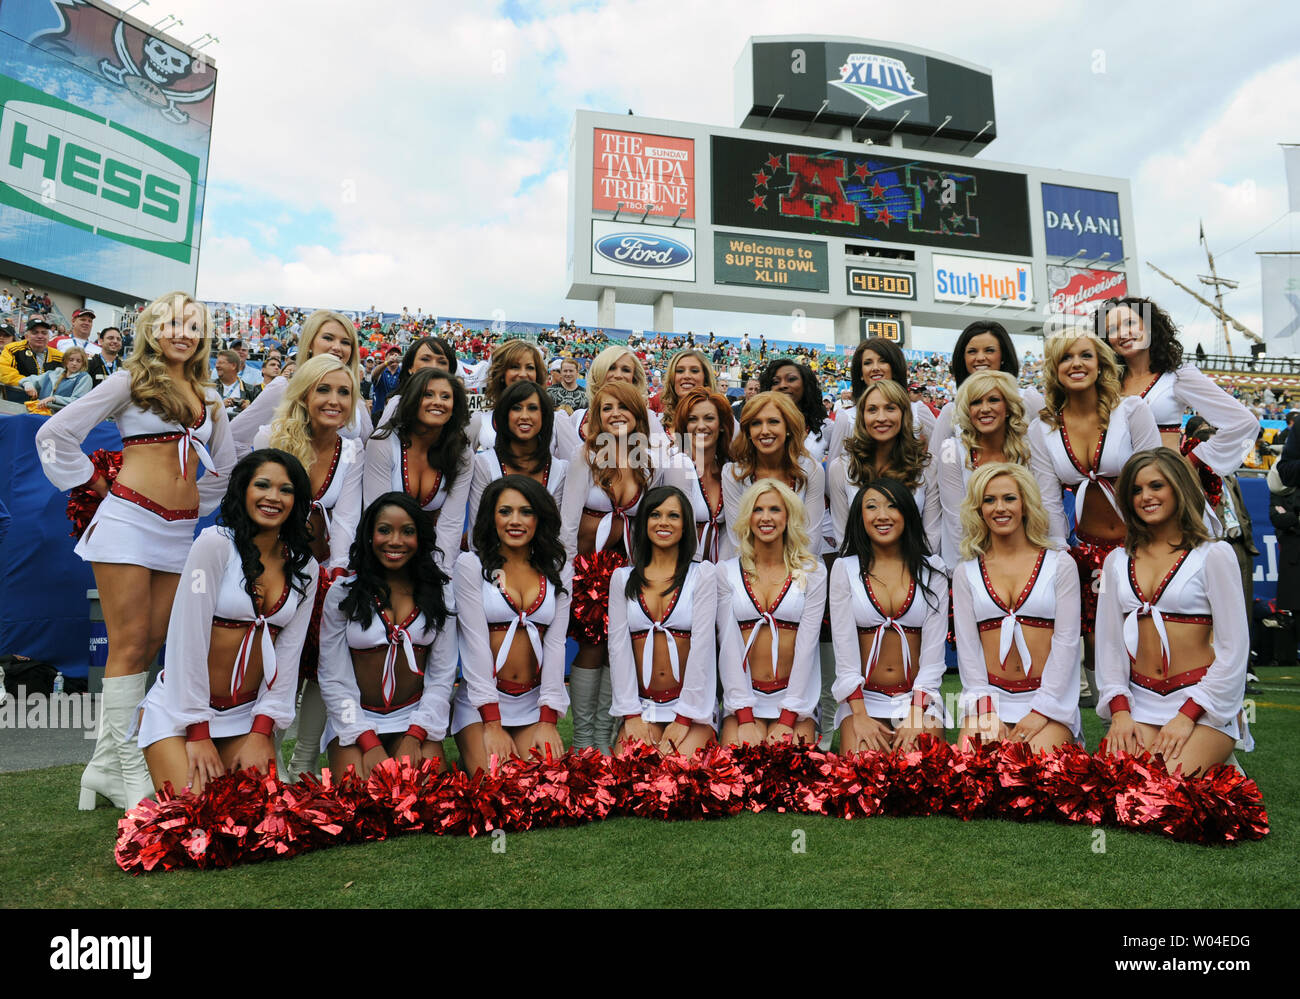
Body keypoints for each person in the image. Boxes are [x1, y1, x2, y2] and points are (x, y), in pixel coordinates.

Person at [36, 291, 235, 809]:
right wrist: (99, 485)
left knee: (148, 644)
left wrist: (194, 501)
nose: (180, 333)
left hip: (177, 530)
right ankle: (126, 766)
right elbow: (57, 431)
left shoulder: (210, 398)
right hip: (128, 522)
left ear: (202, 335)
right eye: (170, 323)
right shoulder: (130, 382)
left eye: (191, 326)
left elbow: (227, 466)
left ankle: (101, 767)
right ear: (151, 328)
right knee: (126, 645)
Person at [137, 450, 318, 796]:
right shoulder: (215, 545)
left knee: (262, 824)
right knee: (198, 822)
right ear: (242, 491)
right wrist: (198, 732)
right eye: (262, 485)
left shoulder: (306, 566)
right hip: (182, 713)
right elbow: (185, 640)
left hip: (245, 720)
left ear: (297, 501)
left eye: (285, 490)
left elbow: (288, 658)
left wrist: (262, 731)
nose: (272, 497)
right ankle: (166, 763)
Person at [1096, 449, 1251, 774]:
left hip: (1201, 703)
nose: (1146, 497)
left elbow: (1234, 650)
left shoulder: (1215, 555)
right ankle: (1212, 769)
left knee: (1163, 795)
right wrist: (1121, 711)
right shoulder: (1115, 562)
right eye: (1136, 490)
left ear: (1178, 488)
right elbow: (1109, 646)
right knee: (1115, 792)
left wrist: (1188, 716)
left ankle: (1218, 758)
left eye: (1156, 486)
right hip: (1141, 702)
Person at [1028, 333, 1160, 699]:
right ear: (1055, 370)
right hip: (1086, 552)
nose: (1076, 364)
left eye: (1086, 355)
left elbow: (1156, 475)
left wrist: (1154, 545)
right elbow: (1048, 501)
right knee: (1098, 649)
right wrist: (1060, 558)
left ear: (1101, 363)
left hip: (1140, 546)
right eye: (1066, 358)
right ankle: (1112, 738)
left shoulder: (1131, 410)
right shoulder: (1043, 428)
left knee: (1146, 637)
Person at [252, 355, 365, 780]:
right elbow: (258, 508)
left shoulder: (352, 450)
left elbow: (349, 517)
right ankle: (271, 756)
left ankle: (304, 762)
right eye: (324, 390)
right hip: (277, 569)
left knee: (323, 665)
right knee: (277, 662)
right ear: (303, 393)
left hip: (327, 571)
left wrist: (334, 571)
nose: (334, 400)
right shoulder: (271, 437)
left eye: (343, 392)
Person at [318, 492, 458, 777]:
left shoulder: (439, 592)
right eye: (384, 530)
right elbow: (333, 678)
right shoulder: (343, 593)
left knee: (432, 802)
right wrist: (368, 742)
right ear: (369, 536)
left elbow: (442, 676)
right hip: (357, 718)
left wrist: (416, 734)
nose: (395, 541)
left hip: (414, 718)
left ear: (420, 539)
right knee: (361, 806)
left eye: (407, 531)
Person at [560, 381, 664, 751]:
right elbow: (569, 523)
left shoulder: (648, 460)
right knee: (591, 649)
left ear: (638, 415)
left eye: (624, 407)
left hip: (628, 573)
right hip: (586, 572)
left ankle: (605, 735)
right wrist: (567, 575)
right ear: (597, 417)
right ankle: (583, 739)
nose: (616, 413)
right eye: (607, 408)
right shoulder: (584, 457)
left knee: (619, 648)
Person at [952, 463, 1081, 751]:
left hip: (1048, 701)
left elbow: (1067, 645)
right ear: (978, 509)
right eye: (989, 500)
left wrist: (1041, 711)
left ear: (1025, 503)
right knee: (970, 780)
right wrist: (985, 709)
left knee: (1034, 781)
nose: (1000, 508)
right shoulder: (966, 572)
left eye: (1009, 498)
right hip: (990, 699)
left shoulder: (1060, 565)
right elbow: (969, 652)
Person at [453, 476, 570, 775]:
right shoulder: (470, 566)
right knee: (499, 790)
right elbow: (476, 644)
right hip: (482, 707)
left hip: (532, 703)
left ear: (539, 518)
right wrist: (491, 723)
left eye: (526, 512)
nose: (515, 521)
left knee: (545, 790)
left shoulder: (558, 569)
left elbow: (556, 646)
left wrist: (548, 719)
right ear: (491, 517)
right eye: (505, 511)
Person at [830, 479, 950, 752]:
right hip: (863, 701)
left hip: (918, 698)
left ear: (907, 513)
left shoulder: (933, 569)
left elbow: (933, 657)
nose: (882, 515)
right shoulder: (844, 569)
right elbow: (845, 656)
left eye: (892, 506)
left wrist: (916, 713)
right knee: (862, 782)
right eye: (871, 507)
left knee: (919, 773)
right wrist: (859, 715)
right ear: (860, 517)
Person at [608, 486, 717, 755]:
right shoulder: (622, 579)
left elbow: (703, 650)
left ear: (685, 525)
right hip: (642, 708)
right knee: (634, 777)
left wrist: (684, 718)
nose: (664, 522)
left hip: (691, 709)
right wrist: (631, 715)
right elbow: (618, 651)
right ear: (644, 522)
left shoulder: (702, 575)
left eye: (674, 516)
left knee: (678, 775)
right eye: (655, 514)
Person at [716, 480, 826, 746]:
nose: (766, 518)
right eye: (757, 510)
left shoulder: (813, 574)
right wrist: (744, 716)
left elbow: (807, 650)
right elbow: (729, 649)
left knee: (791, 779)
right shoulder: (725, 572)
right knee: (734, 777)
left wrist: (788, 717)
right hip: (743, 700)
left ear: (788, 516)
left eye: (775, 509)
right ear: (747, 517)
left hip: (795, 701)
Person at [1100, 297, 1257, 468]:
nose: (1123, 334)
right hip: (1116, 489)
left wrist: (1189, 464)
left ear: (1150, 326)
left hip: (1164, 486)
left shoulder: (1178, 376)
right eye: (1112, 329)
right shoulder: (1106, 382)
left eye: (1130, 323)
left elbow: (1244, 422)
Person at [934, 370, 1064, 571]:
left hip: (1025, 561)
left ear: (1009, 407)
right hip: (968, 562)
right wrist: (983, 572)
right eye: (976, 402)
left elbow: (1042, 505)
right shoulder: (951, 451)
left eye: (993, 400)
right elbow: (957, 521)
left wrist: (1053, 553)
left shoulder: (1028, 448)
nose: (984, 409)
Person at [365, 367, 473, 573]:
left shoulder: (462, 453)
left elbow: (451, 524)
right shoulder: (383, 443)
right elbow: (375, 515)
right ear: (413, 399)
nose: (438, 402)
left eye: (446, 396)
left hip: (435, 559)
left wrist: (440, 574)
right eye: (428, 394)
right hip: (384, 556)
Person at [231, 310, 373, 456]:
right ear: (310, 343)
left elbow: (366, 450)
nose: (337, 347)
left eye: (345, 342)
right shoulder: (284, 387)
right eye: (328, 338)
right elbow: (233, 439)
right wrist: (262, 469)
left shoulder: (355, 397)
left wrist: (342, 471)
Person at [827, 379, 940, 552]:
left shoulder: (927, 467)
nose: (881, 418)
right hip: (861, 573)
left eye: (890, 408)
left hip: (916, 571)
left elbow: (931, 537)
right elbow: (844, 539)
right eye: (872, 409)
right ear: (862, 417)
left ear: (904, 414)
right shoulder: (841, 468)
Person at [722, 391, 825, 559]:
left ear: (789, 427)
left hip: (801, 570)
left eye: (773, 422)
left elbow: (811, 539)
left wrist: (786, 580)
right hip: (749, 570)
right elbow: (738, 539)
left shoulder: (811, 470)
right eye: (756, 423)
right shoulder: (733, 473)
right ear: (747, 431)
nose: (764, 431)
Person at [466, 379, 567, 548]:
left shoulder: (559, 470)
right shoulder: (484, 464)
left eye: (533, 408)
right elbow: (478, 533)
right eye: (516, 408)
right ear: (505, 416)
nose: (524, 415)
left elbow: (556, 535)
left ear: (544, 415)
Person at [930, 320, 1045, 460]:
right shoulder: (951, 411)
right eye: (972, 351)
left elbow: (1049, 453)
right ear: (963, 359)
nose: (980, 358)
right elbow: (934, 465)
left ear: (1003, 356)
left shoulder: (1028, 399)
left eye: (989, 350)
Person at [826, 337, 937, 464]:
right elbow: (834, 470)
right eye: (868, 363)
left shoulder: (917, 410)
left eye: (883, 361)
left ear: (894, 368)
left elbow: (939, 453)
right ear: (860, 373)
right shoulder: (846, 418)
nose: (875, 368)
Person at [664, 387, 731, 562]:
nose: (701, 426)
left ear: (722, 425)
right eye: (693, 419)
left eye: (709, 418)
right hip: (686, 571)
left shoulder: (728, 468)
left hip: (721, 572)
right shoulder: (679, 466)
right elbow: (677, 532)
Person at [466, 339, 546, 452]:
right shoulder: (480, 421)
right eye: (515, 367)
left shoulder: (555, 420)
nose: (523, 374)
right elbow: (463, 466)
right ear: (502, 374)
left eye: (530, 368)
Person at [374, 335, 458, 429]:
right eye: (425, 359)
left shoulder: (457, 406)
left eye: (442, 362)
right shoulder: (396, 405)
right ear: (410, 367)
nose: (434, 366)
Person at [0, 316, 63, 400]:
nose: (40, 336)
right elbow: (4, 371)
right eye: (35, 333)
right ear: (26, 336)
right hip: (18, 401)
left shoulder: (60, 356)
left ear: (49, 336)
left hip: (47, 404)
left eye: (44, 333)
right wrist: (25, 382)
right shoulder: (12, 349)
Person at [21, 345, 92, 414]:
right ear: (65, 361)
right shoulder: (53, 373)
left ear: (83, 363)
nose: (74, 363)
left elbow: (78, 400)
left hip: (62, 417)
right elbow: (28, 380)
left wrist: (54, 398)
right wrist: (28, 385)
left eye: (78, 361)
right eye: (71, 360)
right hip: (40, 412)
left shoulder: (84, 378)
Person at [658, 349, 719, 429]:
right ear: (672, 379)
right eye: (680, 371)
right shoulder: (656, 423)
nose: (686, 376)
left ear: (706, 379)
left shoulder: (723, 420)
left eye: (694, 371)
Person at [214, 349, 257, 415]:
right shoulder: (208, 388)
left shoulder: (251, 391)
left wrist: (248, 409)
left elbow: (258, 416)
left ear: (233, 366)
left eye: (221, 363)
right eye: (216, 363)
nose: (217, 366)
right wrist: (220, 406)